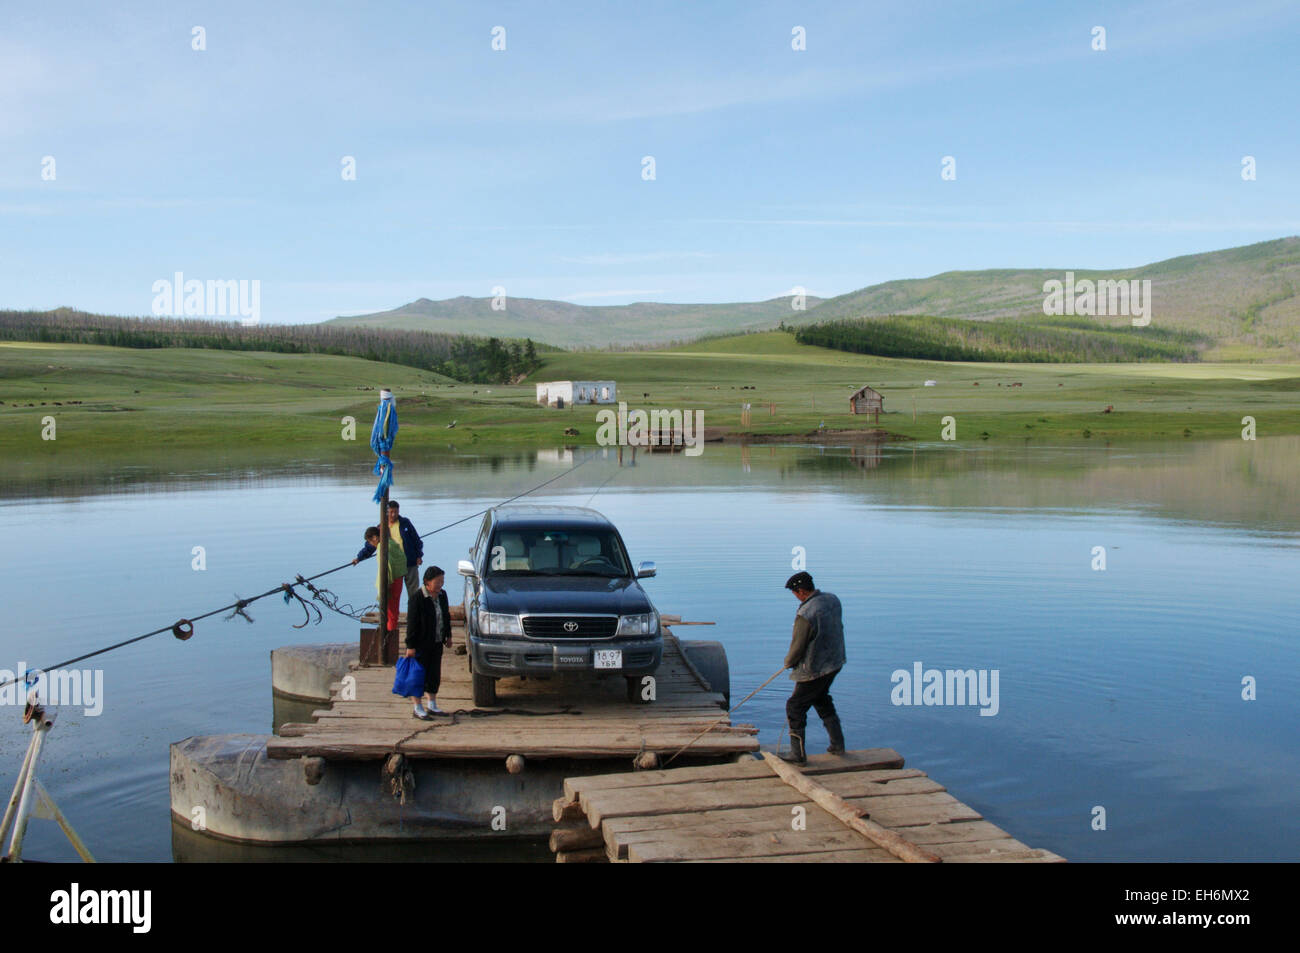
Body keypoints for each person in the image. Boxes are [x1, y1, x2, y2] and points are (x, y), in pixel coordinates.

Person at [781, 571, 846, 764]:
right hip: (835, 662)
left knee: (795, 706)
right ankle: (837, 744)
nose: (795, 597)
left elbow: (798, 645)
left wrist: (789, 662)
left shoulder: (805, 613)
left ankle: (798, 755)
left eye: (794, 593)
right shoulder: (832, 600)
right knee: (821, 698)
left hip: (815, 669)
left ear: (801, 591)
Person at [405, 565, 452, 718]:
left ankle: (432, 703)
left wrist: (448, 636)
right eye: (437, 582)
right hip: (421, 644)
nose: (440, 585)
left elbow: (446, 616)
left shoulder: (442, 595)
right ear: (427, 582)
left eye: (442, 581)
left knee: (434, 674)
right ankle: (417, 706)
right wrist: (410, 646)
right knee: (418, 675)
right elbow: (412, 624)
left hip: (437, 641)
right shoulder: (417, 598)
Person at [354, 525, 406, 638]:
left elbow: (388, 567)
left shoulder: (383, 548)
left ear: (375, 538)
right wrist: (359, 558)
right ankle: (389, 631)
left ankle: (389, 636)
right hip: (398, 577)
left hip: (392, 581)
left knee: (390, 610)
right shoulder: (389, 542)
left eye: (369, 541)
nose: (370, 544)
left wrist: (386, 584)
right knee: (393, 609)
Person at [387, 501, 424, 600]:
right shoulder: (382, 527)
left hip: (410, 562)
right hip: (394, 566)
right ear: (386, 512)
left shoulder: (405, 523)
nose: (393, 514)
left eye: (396, 512)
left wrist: (419, 555)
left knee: (414, 592)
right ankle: (393, 615)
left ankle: (413, 614)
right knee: (393, 593)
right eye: (391, 512)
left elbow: (417, 540)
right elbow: (371, 545)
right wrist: (359, 558)